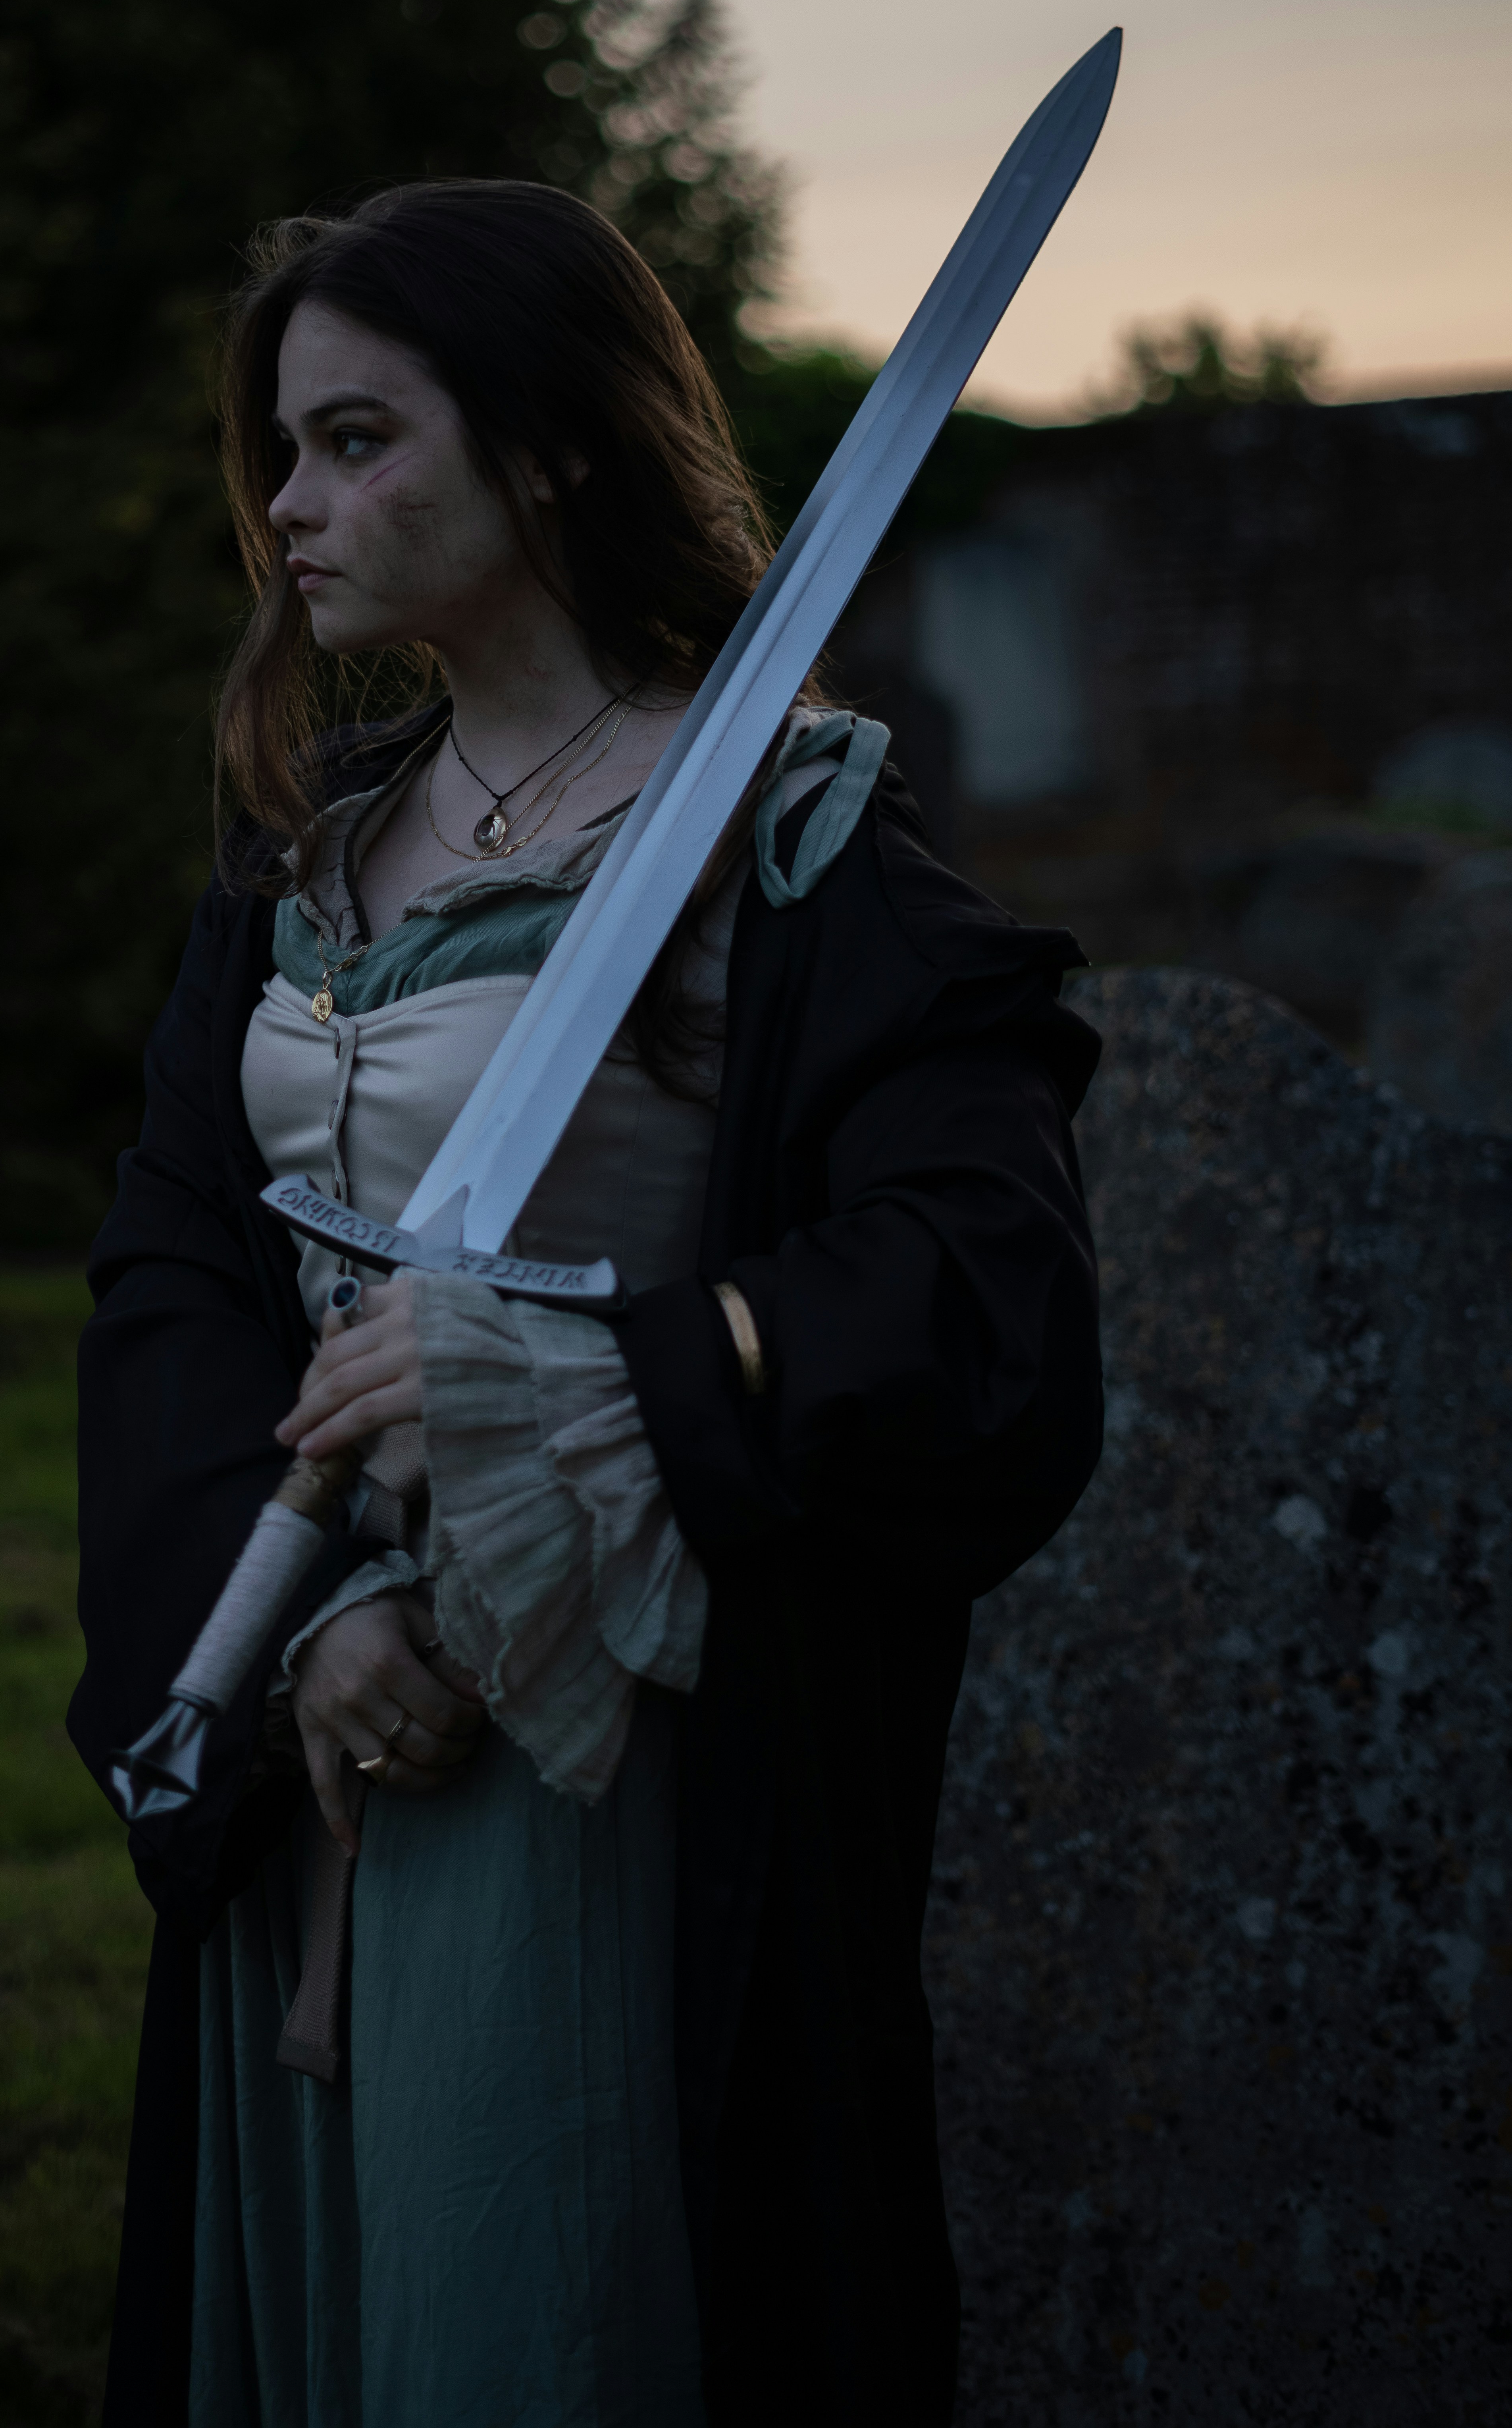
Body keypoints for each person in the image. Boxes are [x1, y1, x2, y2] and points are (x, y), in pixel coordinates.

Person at [69, 181, 1104, 2428]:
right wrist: (294, 1634)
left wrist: (595, 1373)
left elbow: (978, 1283)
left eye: (353, 439)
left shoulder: (795, 836)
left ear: (543, 449)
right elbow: (173, 1263)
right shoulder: (314, 848)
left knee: (525, 2320)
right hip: (301, 1713)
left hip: (591, 1750)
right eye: (279, 445)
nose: (287, 502)